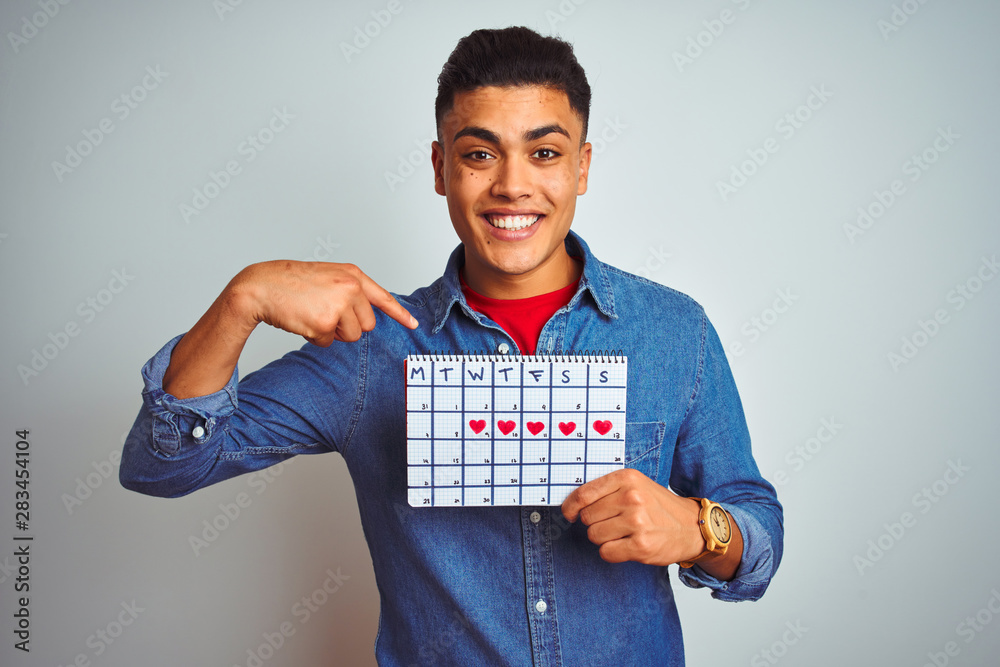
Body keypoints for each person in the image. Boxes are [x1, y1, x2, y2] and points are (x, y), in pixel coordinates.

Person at [121, 26, 783, 665]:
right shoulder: (369, 350)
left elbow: (759, 536)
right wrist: (243, 300)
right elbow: (163, 463)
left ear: (582, 167)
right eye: (479, 153)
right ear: (441, 168)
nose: (513, 185)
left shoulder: (674, 329)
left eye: (544, 152)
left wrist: (699, 528)